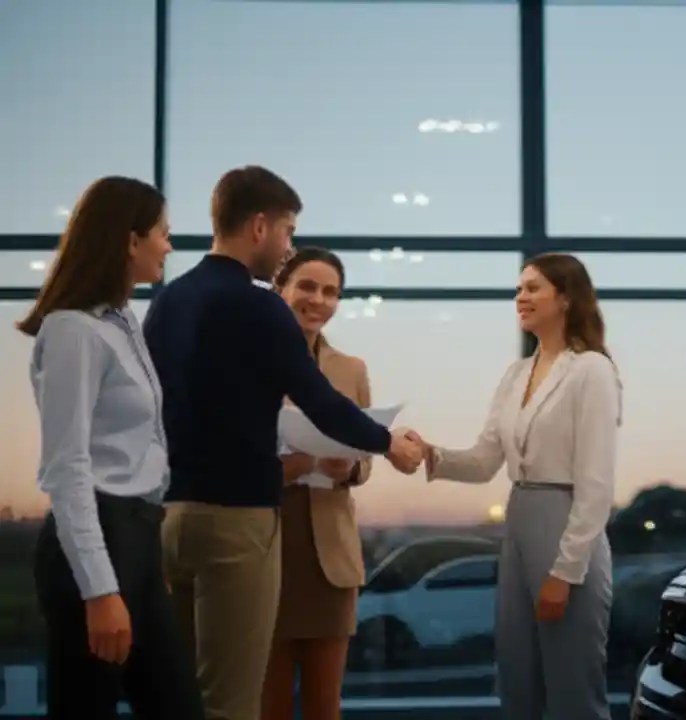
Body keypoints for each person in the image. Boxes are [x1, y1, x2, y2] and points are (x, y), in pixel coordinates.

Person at [142, 166, 423, 720]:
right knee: (233, 704)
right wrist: (387, 442)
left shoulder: (166, 303)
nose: (288, 245)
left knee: (182, 695)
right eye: (288, 231)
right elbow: (320, 401)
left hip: (169, 518)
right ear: (261, 226)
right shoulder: (259, 304)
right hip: (236, 523)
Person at [19, 176, 205, 719]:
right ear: (130, 241)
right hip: (95, 540)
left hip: (137, 538)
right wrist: (100, 589)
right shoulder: (73, 331)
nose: (169, 247)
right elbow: (67, 470)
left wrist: (146, 559)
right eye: (163, 234)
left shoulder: (123, 322)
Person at [418, 252, 621, 720]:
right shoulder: (515, 375)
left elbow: (595, 485)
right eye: (518, 288)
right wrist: (430, 454)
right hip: (519, 526)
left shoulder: (592, 370)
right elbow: (485, 459)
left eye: (533, 288)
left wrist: (566, 572)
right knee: (518, 683)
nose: (520, 297)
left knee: (574, 692)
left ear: (566, 298)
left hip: (566, 526)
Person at [260, 247, 371, 720]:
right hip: (262, 547)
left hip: (330, 557)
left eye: (331, 292)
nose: (318, 300)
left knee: (326, 706)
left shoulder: (351, 369)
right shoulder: (244, 362)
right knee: (269, 705)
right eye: (307, 286)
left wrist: (349, 468)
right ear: (279, 289)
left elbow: (365, 456)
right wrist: (290, 463)